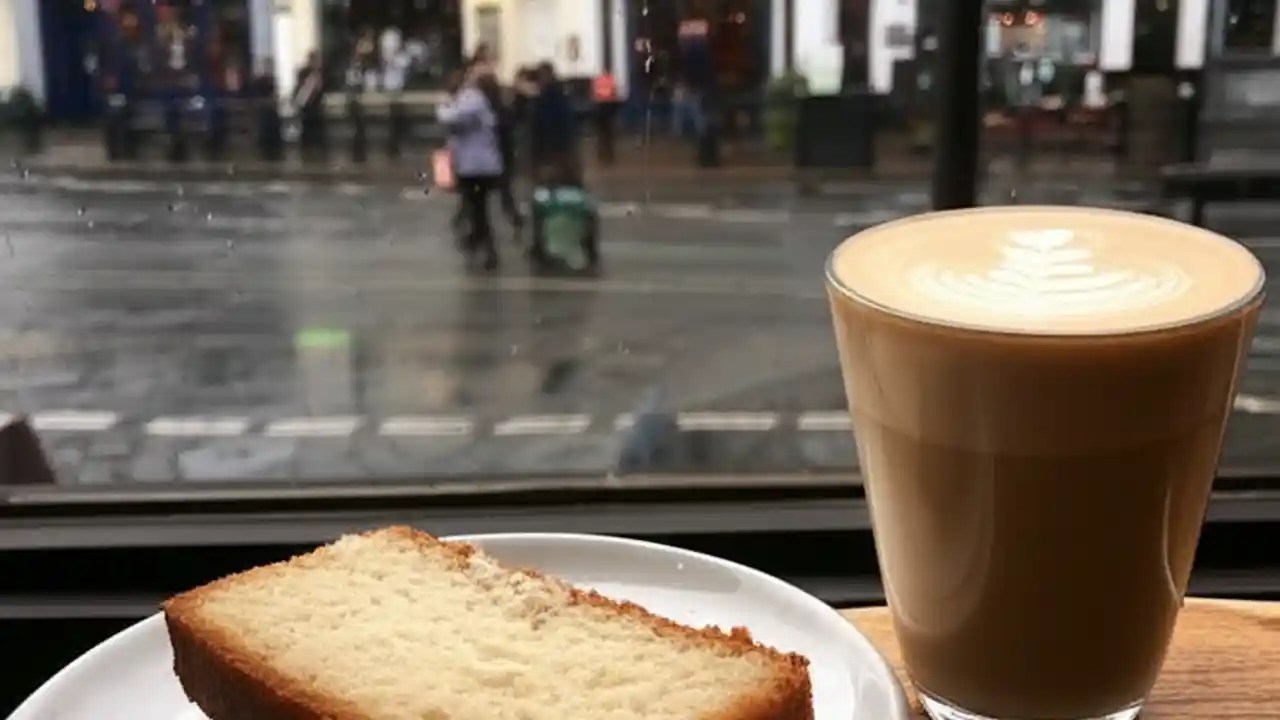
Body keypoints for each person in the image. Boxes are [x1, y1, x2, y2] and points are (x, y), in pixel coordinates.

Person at [438, 67, 505, 271]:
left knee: (477, 208)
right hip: (479, 165)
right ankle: (475, 241)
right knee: (476, 207)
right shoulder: (482, 101)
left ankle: (485, 247)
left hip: (475, 167)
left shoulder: (473, 98)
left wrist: (443, 105)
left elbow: (449, 116)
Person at [474, 68, 525, 238]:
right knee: (504, 193)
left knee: (479, 195)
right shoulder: (501, 106)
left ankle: (477, 230)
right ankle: (515, 220)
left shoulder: (484, 107)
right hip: (503, 155)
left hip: (491, 157)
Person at [530, 62, 580, 186]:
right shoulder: (556, 94)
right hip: (556, 145)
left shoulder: (551, 96)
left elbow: (547, 122)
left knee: (556, 178)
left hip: (554, 146)